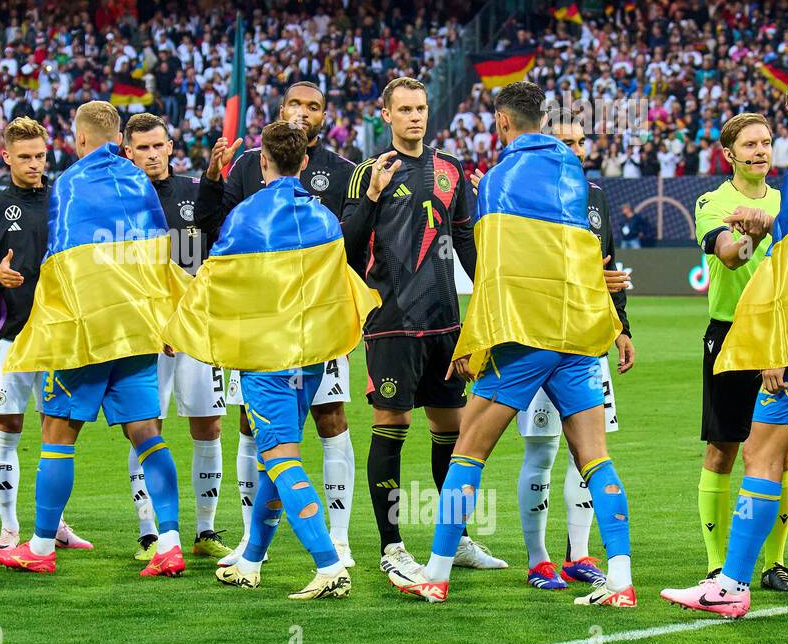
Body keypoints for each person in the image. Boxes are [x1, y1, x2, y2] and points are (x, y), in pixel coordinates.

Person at [392, 81, 637, 607]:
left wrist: (474, 343)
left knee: (468, 453)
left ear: (503, 123)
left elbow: (495, 274)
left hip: (524, 339)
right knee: (595, 458)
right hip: (577, 335)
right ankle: (620, 579)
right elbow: (582, 256)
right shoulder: (575, 175)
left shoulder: (498, 180)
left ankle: (435, 573)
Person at [166, 120, 376, 598]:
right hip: (311, 359)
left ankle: (328, 565)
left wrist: (182, 324)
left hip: (265, 361)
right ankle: (253, 561)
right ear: (304, 163)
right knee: (271, 465)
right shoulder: (323, 219)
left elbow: (210, 274)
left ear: (263, 162)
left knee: (280, 459)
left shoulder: (246, 216)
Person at [0, 101, 188, 577]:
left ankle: (40, 546)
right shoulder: (138, 182)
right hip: (136, 333)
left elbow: (61, 266)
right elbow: (161, 259)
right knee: (148, 436)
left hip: (84, 337)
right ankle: (171, 542)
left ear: (80, 140)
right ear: (120, 141)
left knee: (58, 437)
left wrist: (48, 334)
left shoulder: (70, 185)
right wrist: (166, 320)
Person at [340, 76, 505, 586]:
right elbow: (346, 243)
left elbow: (463, 241)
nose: (416, 116)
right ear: (385, 115)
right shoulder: (370, 172)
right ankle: (392, 547)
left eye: (421, 107)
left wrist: (493, 295)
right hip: (390, 325)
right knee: (392, 426)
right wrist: (369, 197)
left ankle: (452, 541)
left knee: (453, 433)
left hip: (445, 325)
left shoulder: (451, 170)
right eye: (405, 109)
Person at [197, 81, 360, 567]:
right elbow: (208, 227)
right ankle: (253, 547)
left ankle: (337, 542)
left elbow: (351, 249)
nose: (303, 112)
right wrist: (210, 181)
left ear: (324, 117)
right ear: (281, 109)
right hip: (272, 329)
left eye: (314, 106)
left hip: (303, 330)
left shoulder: (344, 171)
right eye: (296, 104)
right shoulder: (245, 164)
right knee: (257, 430)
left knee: (325, 424)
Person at [664, 107, 788, 616]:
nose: (761, 151)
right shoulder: (712, 201)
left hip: (781, 334)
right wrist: (752, 237)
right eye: (750, 145)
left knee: (775, 454)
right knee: (724, 449)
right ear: (729, 154)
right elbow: (728, 254)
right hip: (730, 335)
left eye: (766, 142)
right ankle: (720, 566)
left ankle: (774, 564)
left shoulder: (786, 199)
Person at [510, 122, 635, 590]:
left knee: (588, 453)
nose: (578, 150)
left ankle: (579, 556)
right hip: (539, 339)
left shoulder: (595, 196)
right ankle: (538, 559)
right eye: (567, 142)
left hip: (587, 340)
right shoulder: (527, 198)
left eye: (582, 142)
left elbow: (609, 265)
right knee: (541, 450)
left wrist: (620, 327)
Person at [0, 117, 90, 551]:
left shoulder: (67, 201)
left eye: (40, 156)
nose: (35, 164)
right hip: (11, 338)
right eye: (26, 157)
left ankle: (53, 526)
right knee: (6, 427)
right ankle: (12, 528)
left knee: (57, 432)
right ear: (7, 157)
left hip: (59, 340)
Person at [122, 112, 230, 561]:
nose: (151, 153)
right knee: (147, 429)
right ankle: (150, 532)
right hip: (145, 335)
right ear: (128, 152)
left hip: (197, 331)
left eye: (157, 145)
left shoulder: (195, 194)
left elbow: (219, 256)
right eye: (141, 147)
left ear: (169, 147)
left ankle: (205, 529)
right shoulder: (120, 201)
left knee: (209, 426)